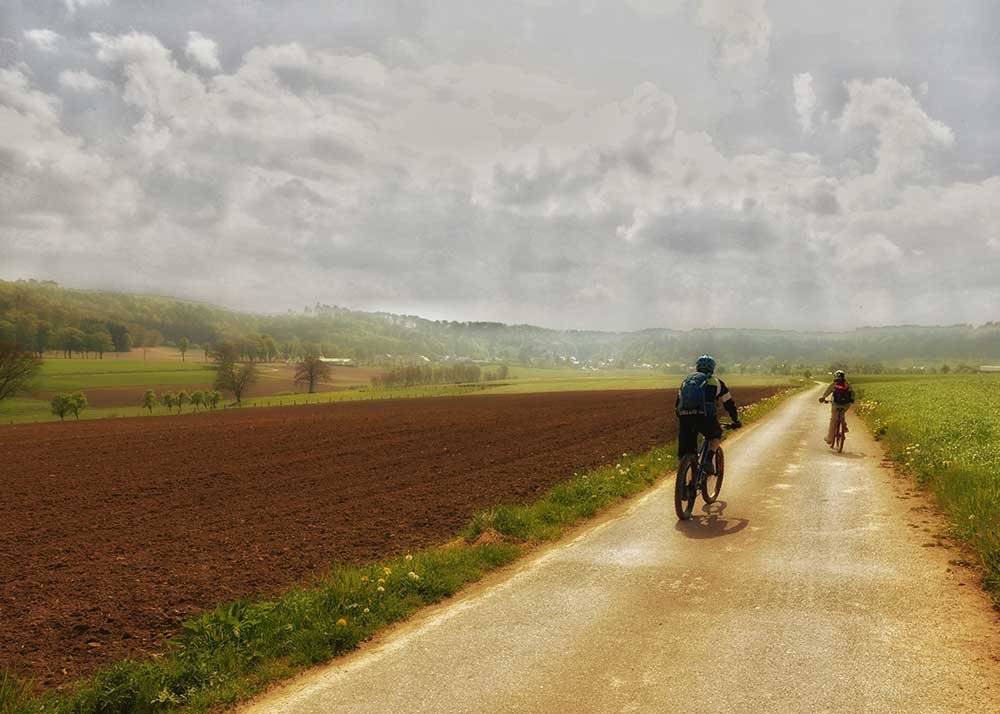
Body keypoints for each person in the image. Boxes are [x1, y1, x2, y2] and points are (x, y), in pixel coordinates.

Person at [675, 355, 741, 474]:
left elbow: (678, 404)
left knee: (686, 451)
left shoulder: (686, 382)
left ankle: (682, 477)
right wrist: (736, 420)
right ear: (713, 368)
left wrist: (684, 417)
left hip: (685, 418)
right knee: (715, 435)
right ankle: (708, 461)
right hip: (704, 418)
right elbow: (729, 404)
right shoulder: (716, 382)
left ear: (697, 367)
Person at [819, 369, 854, 445]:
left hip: (836, 404)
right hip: (846, 405)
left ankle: (830, 438)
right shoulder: (847, 384)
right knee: (842, 414)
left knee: (833, 420)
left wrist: (823, 397)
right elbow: (852, 393)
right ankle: (844, 427)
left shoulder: (834, 384)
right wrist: (851, 400)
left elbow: (827, 391)